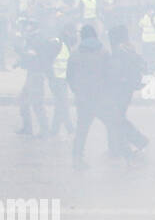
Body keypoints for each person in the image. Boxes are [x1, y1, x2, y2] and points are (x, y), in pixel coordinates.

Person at [65, 23, 114, 168]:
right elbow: (109, 74)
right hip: (100, 96)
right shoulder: (104, 52)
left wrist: (77, 89)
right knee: (111, 123)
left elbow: (69, 76)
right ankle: (120, 151)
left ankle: (77, 156)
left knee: (82, 128)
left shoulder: (75, 53)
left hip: (83, 97)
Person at [106, 24, 148, 157]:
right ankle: (117, 146)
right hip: (127, 88)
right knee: (116, 117)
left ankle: (138, 141)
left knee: (116, 118)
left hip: (120, 89)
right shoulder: (129, 47)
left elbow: (116, 71)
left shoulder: (119, 50)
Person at [14, 18, 49, 136]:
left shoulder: (37, 39)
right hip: (32, 73)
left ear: (33, 26)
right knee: (23, 101)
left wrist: (20, 51)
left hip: (36, 74)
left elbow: (31, 55)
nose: (25, 28)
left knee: (37, 103)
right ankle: (27, 127)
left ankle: (44, 129)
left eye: (27, 26)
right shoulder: (33, 38)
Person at [49, 25, 76, 136]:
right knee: (63, 104)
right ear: (67, 32)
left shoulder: (66, 44)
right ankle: (69, 128)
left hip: (61, 79)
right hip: (57, 79)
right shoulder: (57, 43)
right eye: (72, 32)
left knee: (60, 105)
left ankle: (54, 129)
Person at [138, 7, 155, 72]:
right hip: (149, 39)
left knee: (150, 53)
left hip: (150, 39)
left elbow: (140, 26)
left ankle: (150, 65)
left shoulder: (146, 17)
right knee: (150, 53)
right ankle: (150, 65)